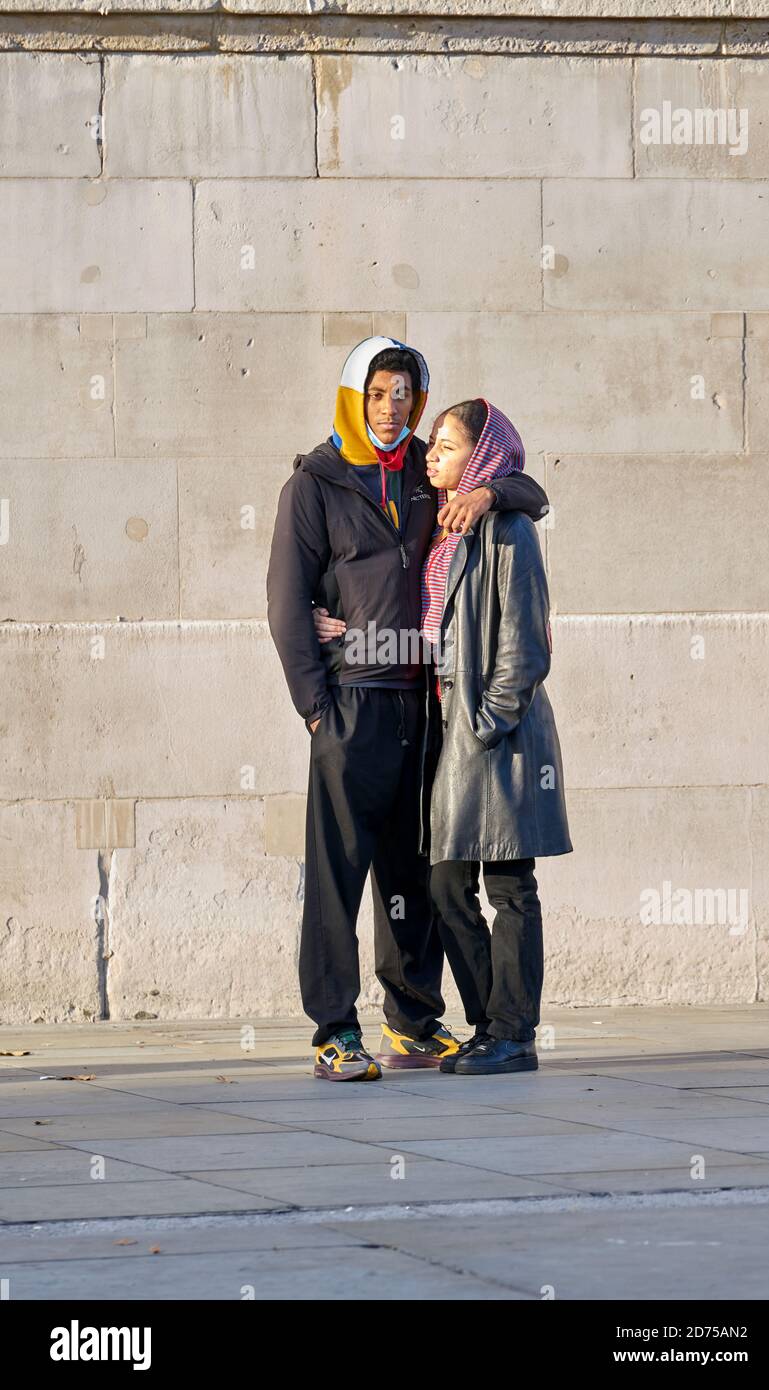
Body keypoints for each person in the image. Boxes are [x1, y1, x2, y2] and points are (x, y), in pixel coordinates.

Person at [267, 337, 550, 1081]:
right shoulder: (315, 483)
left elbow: (530, 490)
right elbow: (287, 601)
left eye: (405, 395)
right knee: (339, 875)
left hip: (421, 708)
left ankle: (413, 1019)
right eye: (380, 393)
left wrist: (490, 492)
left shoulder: (432, 473)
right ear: (353, 395)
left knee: (413, 874)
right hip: (351, 705)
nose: (393, 408)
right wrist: (314, 704)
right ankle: (334, 1030)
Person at [422, 399, 572, 1075]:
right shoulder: (449, 527)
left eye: (446, 447)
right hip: (455, 733)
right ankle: (491, 1023)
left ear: (480, 458)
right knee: (447, 884)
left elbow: (527, 641)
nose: (432, 457)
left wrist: (489, 717)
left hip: (498, 734)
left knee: (510, 884)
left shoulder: (507, 528)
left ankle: (513, 1033)